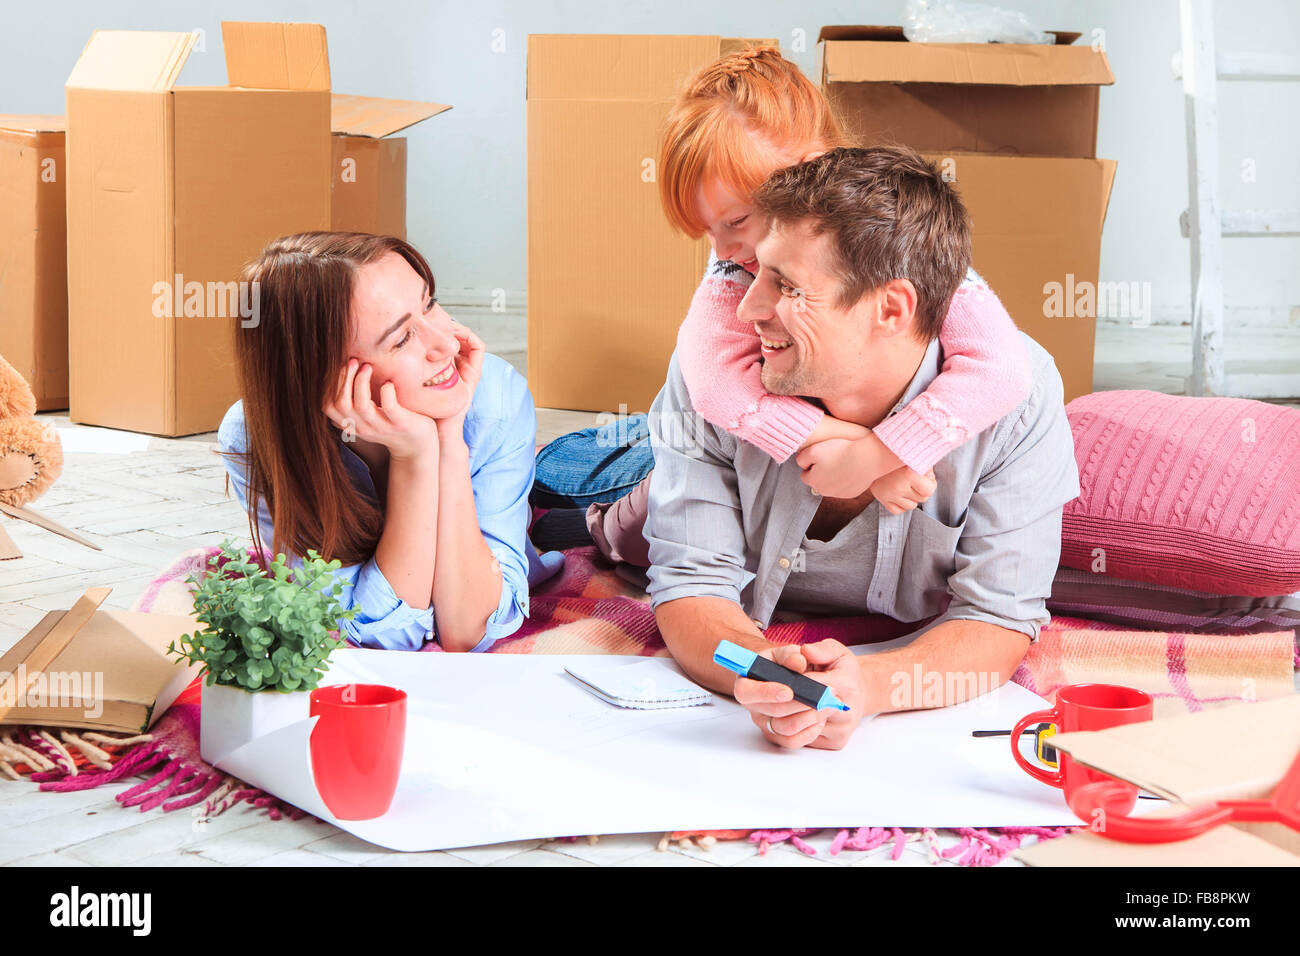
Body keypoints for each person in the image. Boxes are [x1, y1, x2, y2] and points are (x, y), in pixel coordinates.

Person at [645, 147, 1081, 750]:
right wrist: (764, 674)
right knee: (605, 509)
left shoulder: (1017, 397)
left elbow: (999, 616)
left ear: (891, 308)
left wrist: (870, 685)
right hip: (635, 483)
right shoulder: (713, 367)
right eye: (755, 273)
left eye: (788, 286)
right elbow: (690, 584)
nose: (748, 307)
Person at [565, 46, 1033, 566]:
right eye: (708, 230)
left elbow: (1005, 369)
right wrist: (854, 451)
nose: (720, 252)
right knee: (628, 525)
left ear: (807, 174)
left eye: (737, 222)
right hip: (705, 439)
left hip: (762, 437)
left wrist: (882, 453)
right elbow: (713, 386)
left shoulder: (898, 249)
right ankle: (592, 510)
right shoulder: (729, 269)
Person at [217, 232, 563, 653]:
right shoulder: (257, 437)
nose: (448, 343)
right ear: (325, 379)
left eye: (430, 303)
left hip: (564, 473)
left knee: (598, 488)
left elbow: (469, 630)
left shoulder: (494, 396)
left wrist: (449, 438)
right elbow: (367, 633)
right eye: (401, 339)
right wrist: (415, 459)